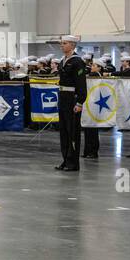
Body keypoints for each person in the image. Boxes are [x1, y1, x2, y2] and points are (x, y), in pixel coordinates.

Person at [56, 35, 86, 171]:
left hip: (72, 98)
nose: (61, 45)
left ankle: (73, 162)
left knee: (72, 131)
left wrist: (80, 102)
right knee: (64, 131)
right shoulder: (63, 61)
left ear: (72, 45)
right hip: (63, 97)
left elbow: (81, 83)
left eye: (64, 43)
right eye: (61, 43)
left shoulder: (77, 61)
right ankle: (66, 159)